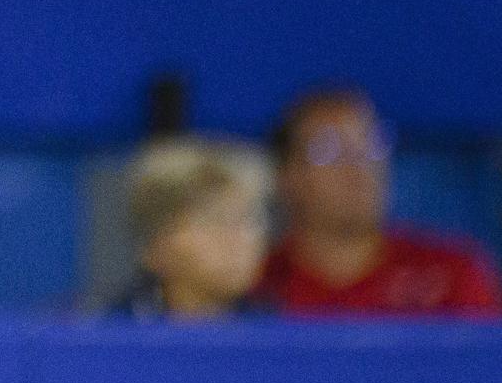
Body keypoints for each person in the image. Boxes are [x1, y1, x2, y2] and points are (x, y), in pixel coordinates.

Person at [258, 84, 501, 316]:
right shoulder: (257, 284)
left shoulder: (452, 273)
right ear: (286, 175)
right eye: (329, 151)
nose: (358, 168)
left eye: (372, 145)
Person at [103, 135, 271, 318]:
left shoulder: (282, 331)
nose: (239, 238)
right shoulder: (107, 336)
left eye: (249, 218)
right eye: (214, 219)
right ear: (154, 245)